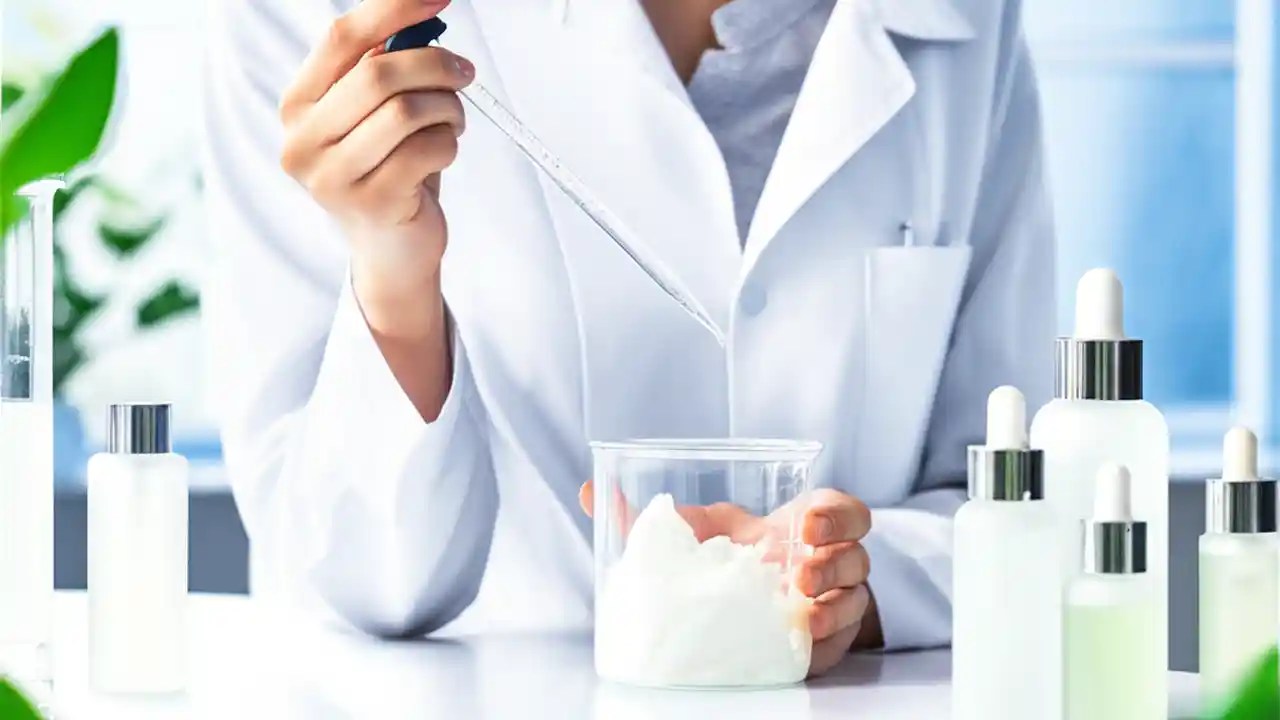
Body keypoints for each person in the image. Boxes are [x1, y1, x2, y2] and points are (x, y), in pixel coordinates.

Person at [203, 0, 1054, 675]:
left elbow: (1012, 496)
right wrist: (393, 275)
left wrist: (856, 589)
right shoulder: (314, 19)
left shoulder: (964, 20)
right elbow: (360, 582)